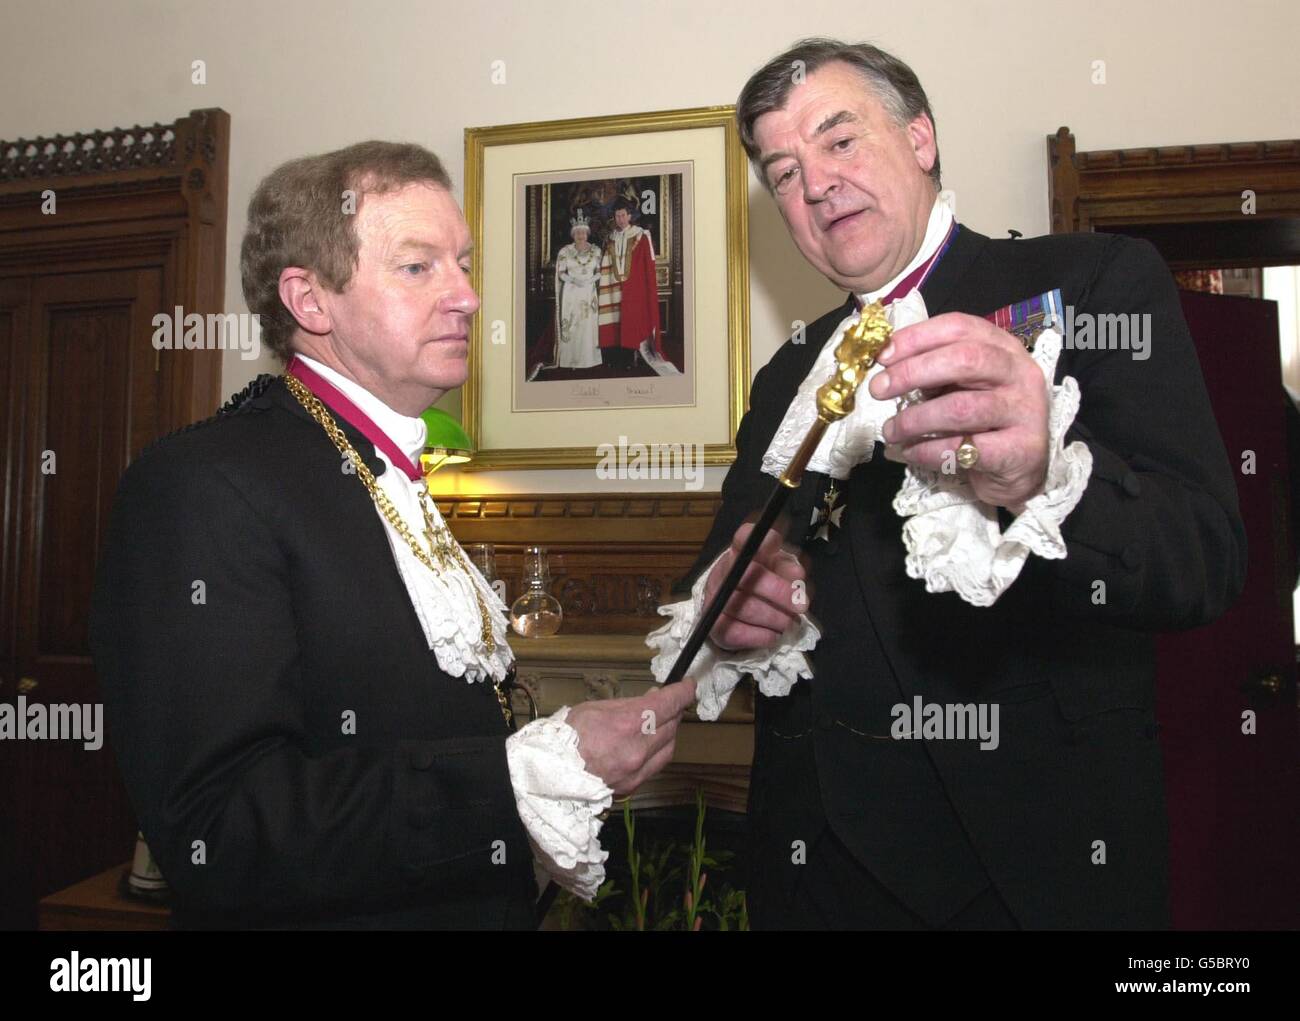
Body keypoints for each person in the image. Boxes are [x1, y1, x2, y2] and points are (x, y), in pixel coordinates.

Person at [648, 38, 1246, 929]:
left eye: (839, 140)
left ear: (920, 137)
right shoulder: (784, 378)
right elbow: (723, 577)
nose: (814, 184)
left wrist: (1046, 473)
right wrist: (732, 612)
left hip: (1034, 871)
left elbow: (1203, 562)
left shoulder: (1093, 284)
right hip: (818, 872)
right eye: (784, 171)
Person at [90, 141, 696, 930]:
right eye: (420, 267)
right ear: (311, 302)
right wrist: (512, 779)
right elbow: (224, 827)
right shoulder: (199, 485)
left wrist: (557, 751)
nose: (469, 297)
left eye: (465, 262)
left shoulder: (382, 464)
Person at [597, 196, 677, 374]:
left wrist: (643, 286)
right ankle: (613, 358)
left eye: (623, 215)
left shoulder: (640, 235)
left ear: (629, 216)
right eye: (617, 216)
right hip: (613, 286)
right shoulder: (610, 237)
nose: (620, 219)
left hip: (633, 287)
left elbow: (647, 264)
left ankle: (628, 359)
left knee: (630, 321)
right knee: (614, 321)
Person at [554, 209, 602, 369]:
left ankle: (589, 359)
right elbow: (560, 273)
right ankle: (570, 360)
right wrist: (573, 279)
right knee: (573, 324)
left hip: (589, 293)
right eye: (577, 233)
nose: (581, 236)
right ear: (573, 234)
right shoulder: (565, 251)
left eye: (583, 233)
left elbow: (600, 272)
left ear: (587, 234)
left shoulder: (596, 251)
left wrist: (590, 280)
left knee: (587, 325)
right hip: (571, 293)